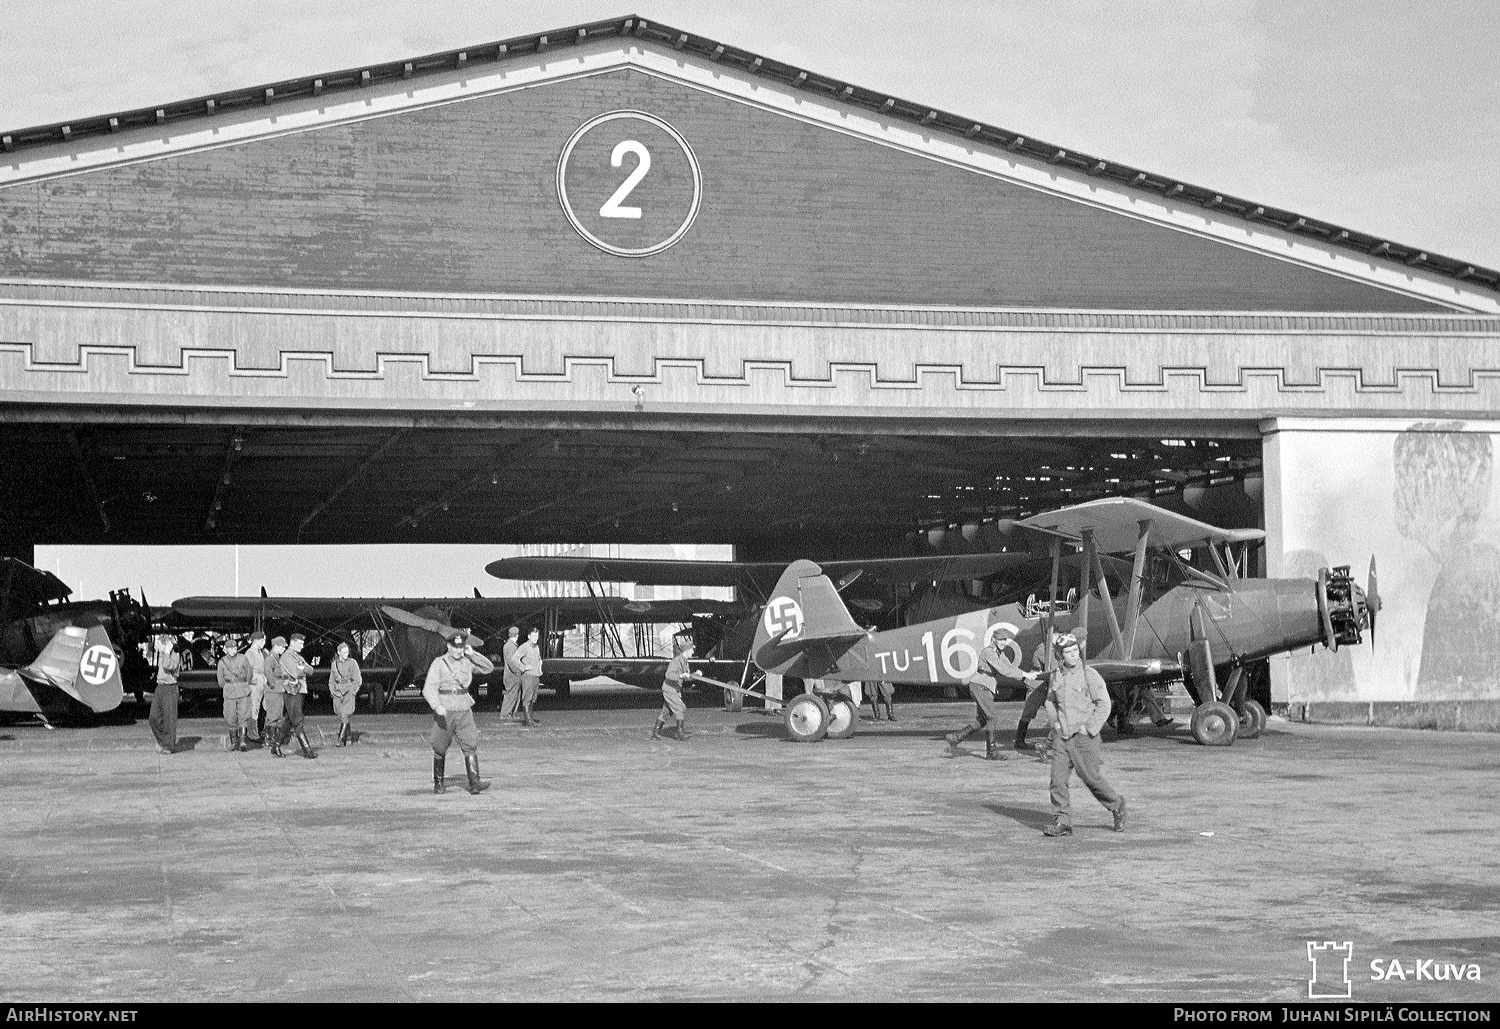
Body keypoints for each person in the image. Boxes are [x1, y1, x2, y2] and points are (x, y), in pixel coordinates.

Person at [1042, 633, 1127, 837]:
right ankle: (1063, 822)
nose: (1073, 655)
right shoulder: (1056, 675)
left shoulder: (1090, 675)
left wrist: (1089, 728)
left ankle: (1117, 805)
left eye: (1075, 651)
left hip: (1084, 738)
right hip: (1062, 738)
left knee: (1091, 779)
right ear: (1060, 655)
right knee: (1057, 781)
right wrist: (1054, 723)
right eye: (1068, 652)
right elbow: (1050, 701)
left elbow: (1104, 704)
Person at [423, 631, 495, 794]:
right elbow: (429, 688)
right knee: (439, 746)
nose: (458, 651)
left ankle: (474, 782)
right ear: (448, 646)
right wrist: (436, 706)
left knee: (470, 744)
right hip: (445, 710)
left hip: (464, 709)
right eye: (455, 647)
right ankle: (439, 783)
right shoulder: (439, 663)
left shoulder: (467, 661)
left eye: (461, 647)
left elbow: (488, 668)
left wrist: (473, 654)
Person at [947, 638, 1037, 760]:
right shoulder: (989, 652)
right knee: (992, 717)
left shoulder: (1000, 654)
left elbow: (1009, 667)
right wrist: (1025, 675)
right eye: (1000, 639)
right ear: (993, 639)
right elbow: (1003, 670)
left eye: (1005, 640)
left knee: (982, 720)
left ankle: (955, 738)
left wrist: (1025, 676)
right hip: (981, 685)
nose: (1003, 642)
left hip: (986, 686)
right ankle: (992, 752)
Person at [265, 634, 317, 759]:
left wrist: (302, 668)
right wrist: (302, 668)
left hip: (298, 691)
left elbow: (311, 670)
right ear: (292, 643)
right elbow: (295, 672)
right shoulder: (287, 657)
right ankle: (307, 750)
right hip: (292, 691)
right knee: (297, 721)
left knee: (289, 721)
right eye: (300, 643)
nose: (302, 646)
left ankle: (275, 746)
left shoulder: (296, 656)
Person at [1016, 627, 1060, 751]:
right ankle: (1019, 741)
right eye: (1055, 635)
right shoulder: (1043, 649)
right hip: (1037, 684)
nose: (1057, 637)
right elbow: (1053, 667)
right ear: (1048, 635)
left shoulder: (1053, 649)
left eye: (1058, 634)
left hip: (1047, 683)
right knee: (1029, 712)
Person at [651, 638, 694, 741]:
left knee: (667, 712)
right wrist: (680, 675)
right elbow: (668, 674)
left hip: (675, 689)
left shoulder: (685, 662)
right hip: (670, 689)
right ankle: (679, 733)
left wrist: (696, 674)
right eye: (692, 650)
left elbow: (687, 676)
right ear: (687, 651)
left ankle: (655, 733)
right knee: (680, 708)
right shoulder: (675, 661)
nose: (693, 652)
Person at [216, 635, 253, 752]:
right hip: (229, 692)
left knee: (244, 715)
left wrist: (243, 684)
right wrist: (228, 686)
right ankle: (234, 742)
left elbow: (249, 673)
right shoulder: (222, 662)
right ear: (225, 650)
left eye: (235, 648)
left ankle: (243, 741)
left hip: (243, 690)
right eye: (230, 649)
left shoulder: (243, 659)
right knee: (230, 716)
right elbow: (220, 680)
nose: (233, 650)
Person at [149, 635, 181, 755]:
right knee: (153, 717)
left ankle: (168, 746)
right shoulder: (164, 655)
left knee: (169, 719)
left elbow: (168, 666)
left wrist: (167, 650)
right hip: (160, 687)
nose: (156, 647)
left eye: (158, 644)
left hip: (170, 688)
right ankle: (162, 741)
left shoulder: (174, 656)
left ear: (166, 644)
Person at [328, 640, 362, 746]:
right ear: (339, 652)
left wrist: (353, 691)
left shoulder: (352, 663)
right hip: (337, 692)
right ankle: (349, 738)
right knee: (341, 715)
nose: (346, 654)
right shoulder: (334, 664)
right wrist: (332, 691)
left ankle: (341, 739)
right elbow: (331, 679)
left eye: (347, 652)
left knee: (345, 713)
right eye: (344, 652)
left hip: (348, 691)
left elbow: (357, 679)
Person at [515, 627, 543, 728]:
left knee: (533, 698)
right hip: (527, 676)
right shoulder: (524, 647)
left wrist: (540, 664)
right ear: (528, 636)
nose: (535, 638)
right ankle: (528, 721)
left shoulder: (536, 647)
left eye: (537, 636)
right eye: (533, 636)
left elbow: (538, 658)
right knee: (527, 698)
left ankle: (530, 718)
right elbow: (514, 659)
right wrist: (523, 667)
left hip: (536, 675)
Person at [244, 631, 268, 748]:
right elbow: (247, 668)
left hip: (260, 680)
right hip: (255, 682)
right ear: (256, 641)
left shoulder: (259, 652)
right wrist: (250, 680)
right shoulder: (250, 653)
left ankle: (256, 732)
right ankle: (252, 734)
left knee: (258, 708)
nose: (264, 643)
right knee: (254, 708)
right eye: (262, 640)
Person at [500, 626, 523, 720]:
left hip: (511, 674)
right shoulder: (510, 646)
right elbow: (511, 661)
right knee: (511, 695)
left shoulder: (510, 645)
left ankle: (512, 713)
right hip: (512, 675)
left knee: (514, 694)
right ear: (517, 635)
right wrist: (517, 671)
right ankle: (505, 714)